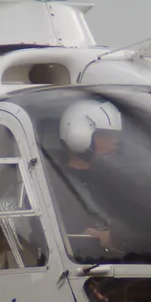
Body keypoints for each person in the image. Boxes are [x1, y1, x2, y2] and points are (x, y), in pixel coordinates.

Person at [51, 98, 123, 251]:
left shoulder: (118, 180)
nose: (114, 140)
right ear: (79, 134)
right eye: (105, 134)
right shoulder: (53, 185)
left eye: (115, 134)